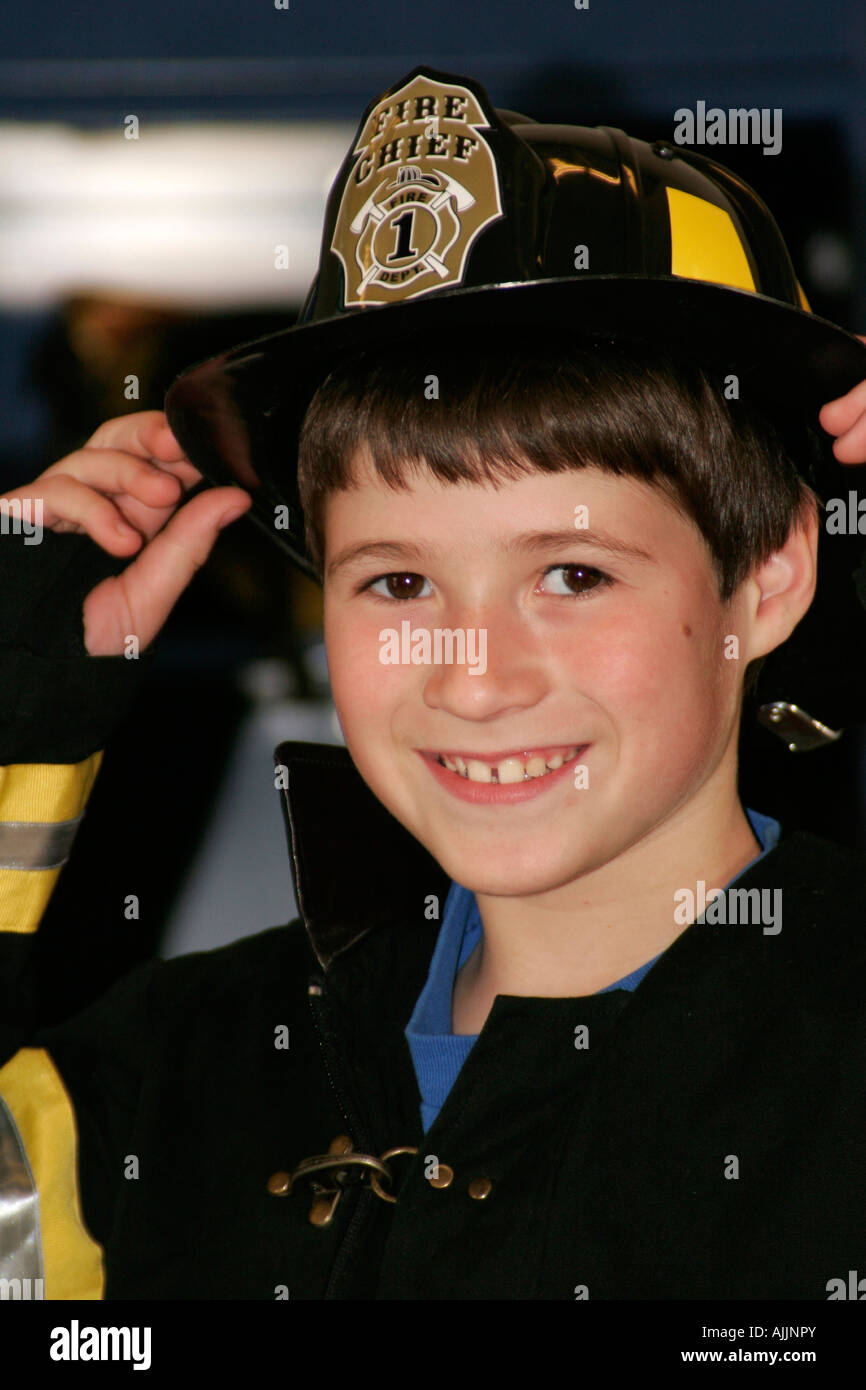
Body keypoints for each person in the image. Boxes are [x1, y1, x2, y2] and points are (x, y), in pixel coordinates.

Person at [2, 64, 866, 1302]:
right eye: (397, 586)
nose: (473, 680)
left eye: (570, 575)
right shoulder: (176, 1073)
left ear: (769, 572)